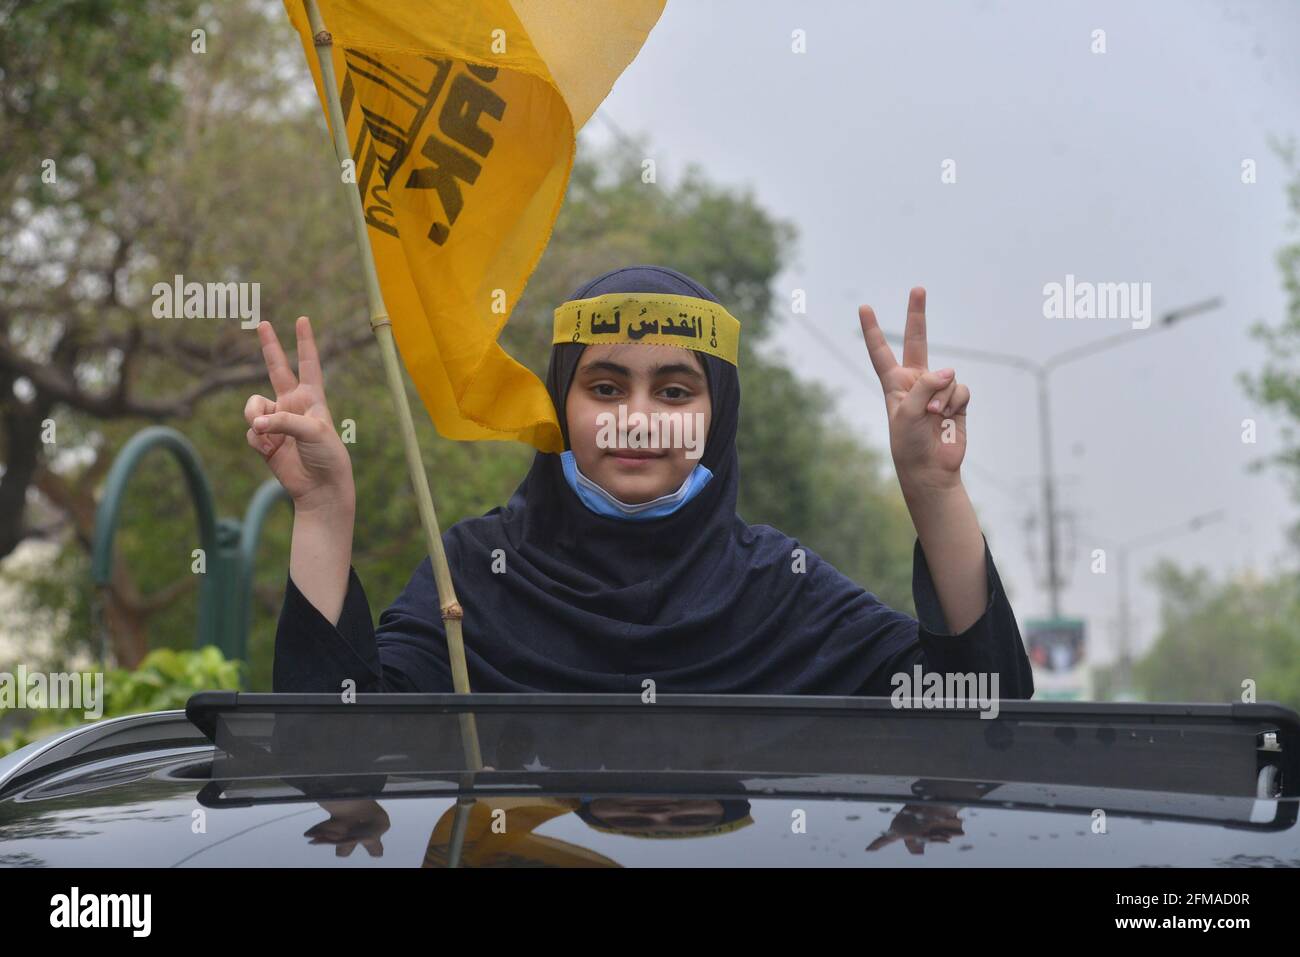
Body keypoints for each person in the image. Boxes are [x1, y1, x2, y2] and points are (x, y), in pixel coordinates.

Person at [249, 264, 1033, 698]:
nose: (637, 418)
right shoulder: (477, 578)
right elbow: (336, 747)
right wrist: (322, 511)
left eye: (675, 391)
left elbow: (981, 706)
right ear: (561, 402)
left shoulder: (781, 591)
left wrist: (933, 489)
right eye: (604, 386)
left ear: (716, 416)